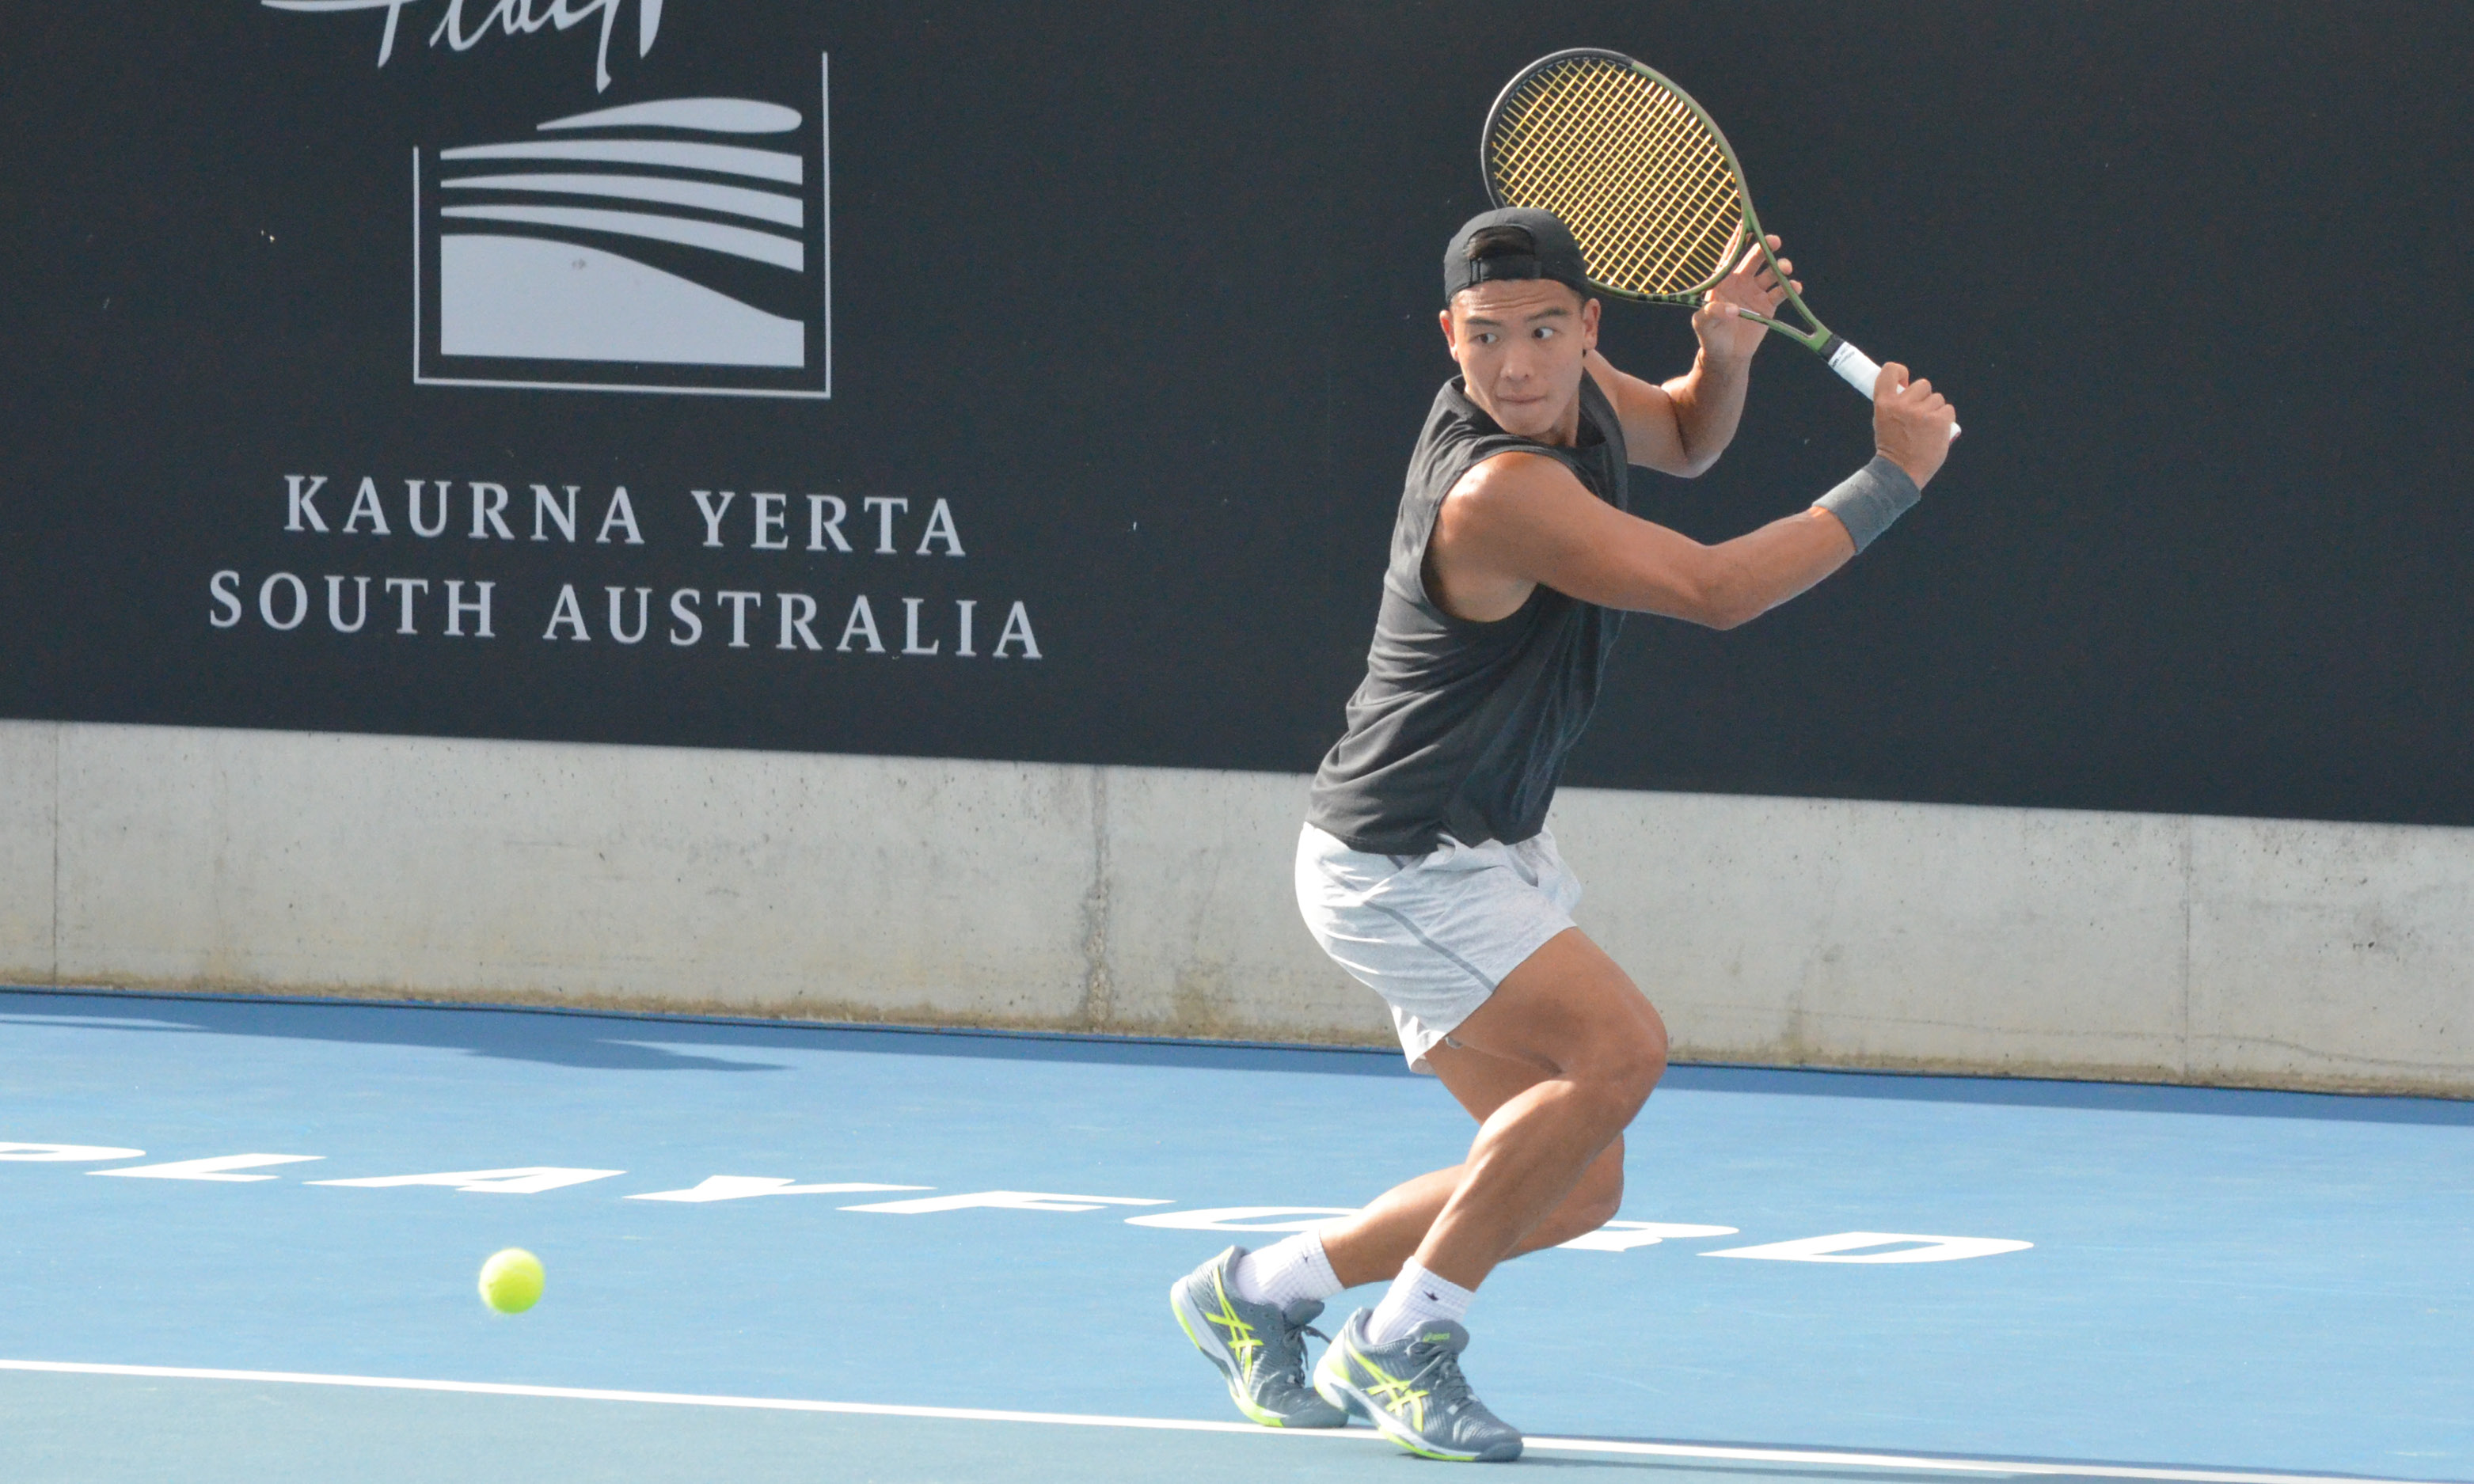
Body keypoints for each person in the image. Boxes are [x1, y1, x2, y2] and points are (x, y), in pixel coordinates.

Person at [1169, 206, 1956, 1462]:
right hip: (1401, 857)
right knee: (1621, 1053)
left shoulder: (1574, 394)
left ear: (1588, 329)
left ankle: (1257, 1291)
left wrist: (1729, 352)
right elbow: (1711, 591)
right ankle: (1401, 1342)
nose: (1517, 365)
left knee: (1576, 1180)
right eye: (1485, 339)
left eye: (1543, 332)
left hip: (1473, 845)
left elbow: (1688, 441)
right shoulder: (1497, 490)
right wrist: (1891, 480)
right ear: (1450, 340)